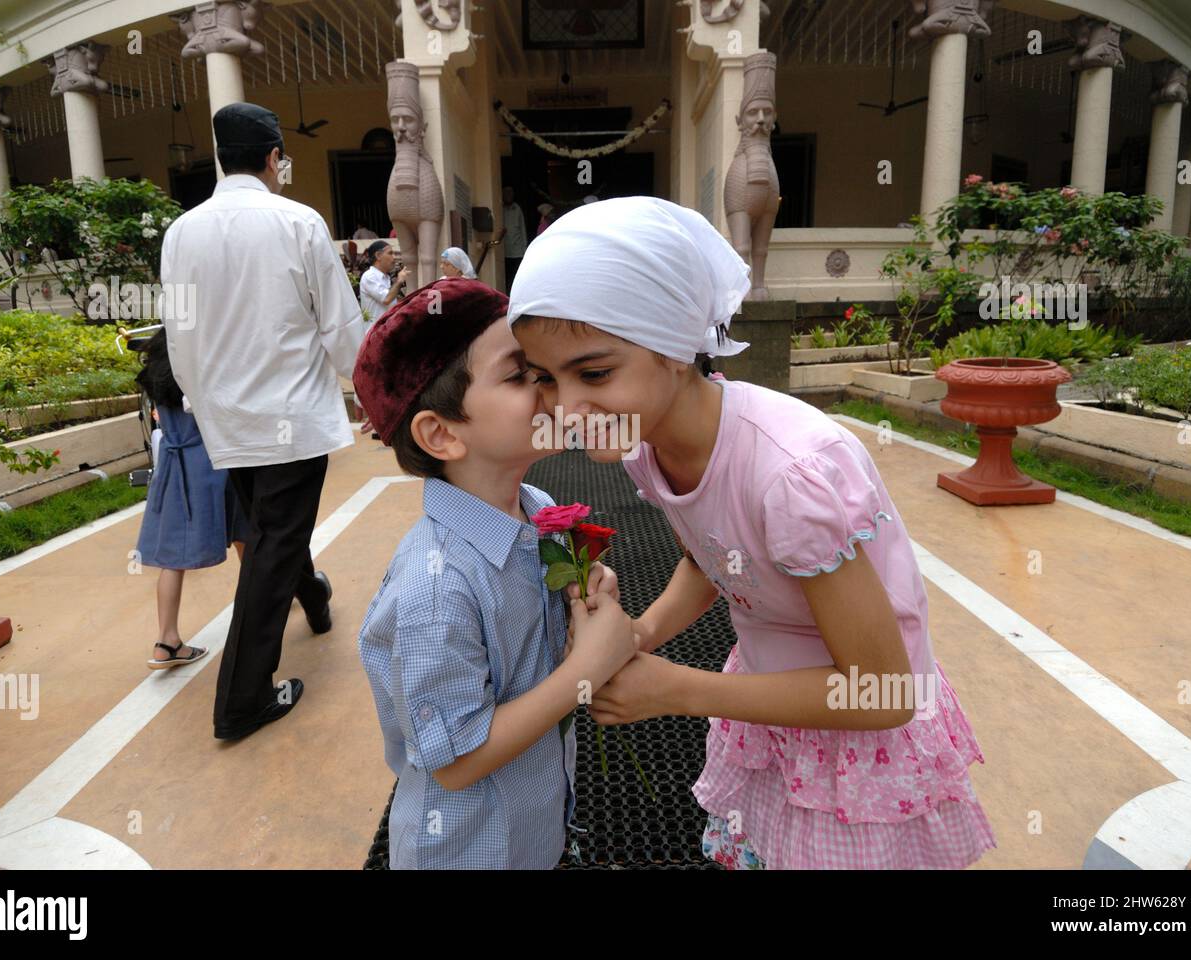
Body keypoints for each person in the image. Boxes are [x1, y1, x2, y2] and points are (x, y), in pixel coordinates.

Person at [507, 196, 996, 870]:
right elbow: (712, 560)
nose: (564, 407)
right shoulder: (646, 443)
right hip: (773, 702)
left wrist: (677, 689)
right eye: (542, 377)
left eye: (594, 373)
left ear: (677, 347)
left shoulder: (790, 478)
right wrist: (639, 636)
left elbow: (886, 691)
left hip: (852, 747)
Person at [352, 278, 634, 868]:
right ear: (442, 433)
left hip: (534, 822)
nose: (550, 389)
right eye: (520, 375)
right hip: (467, 848)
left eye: (543, 370)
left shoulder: (532, 504)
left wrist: (583, 600)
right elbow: (454, 763)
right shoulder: (435, 588)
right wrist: (586, 670)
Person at [161, 102, 365, 741]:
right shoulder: (299, 221)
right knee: (273, 543)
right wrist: (368, 388)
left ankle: (315, 594)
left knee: (270, 532)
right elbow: (339, 323)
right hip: (292, 417)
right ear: (275, 157)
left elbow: (180, 334)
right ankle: (242, 701)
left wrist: (201, 402)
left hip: (229, 421)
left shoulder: (181, 232)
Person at [133, 329, 249, 670]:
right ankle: (265, 608)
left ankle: (166, 640)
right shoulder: (203, 361)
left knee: (173, 557)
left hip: (172, 462)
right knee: (247, 535)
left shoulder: (157, 369)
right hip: (215, 462)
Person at [360, 239, 410, 326]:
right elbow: (386, 299)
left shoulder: (386, 277)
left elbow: (393, 302)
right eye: (390, 253)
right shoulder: (369, 276)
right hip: (374, 333)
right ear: (378, 255)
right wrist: (399, 280)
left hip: (385, 330)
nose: (394, 257)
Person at [501, 186, 528, 292]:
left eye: (510, 193)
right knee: (506, 278)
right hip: (504, 252)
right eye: (506, 192)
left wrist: (524, 249)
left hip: (518, 251)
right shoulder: (500, 208)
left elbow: (522, 229)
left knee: (516, 278)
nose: (509, 195)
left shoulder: (517, 208)